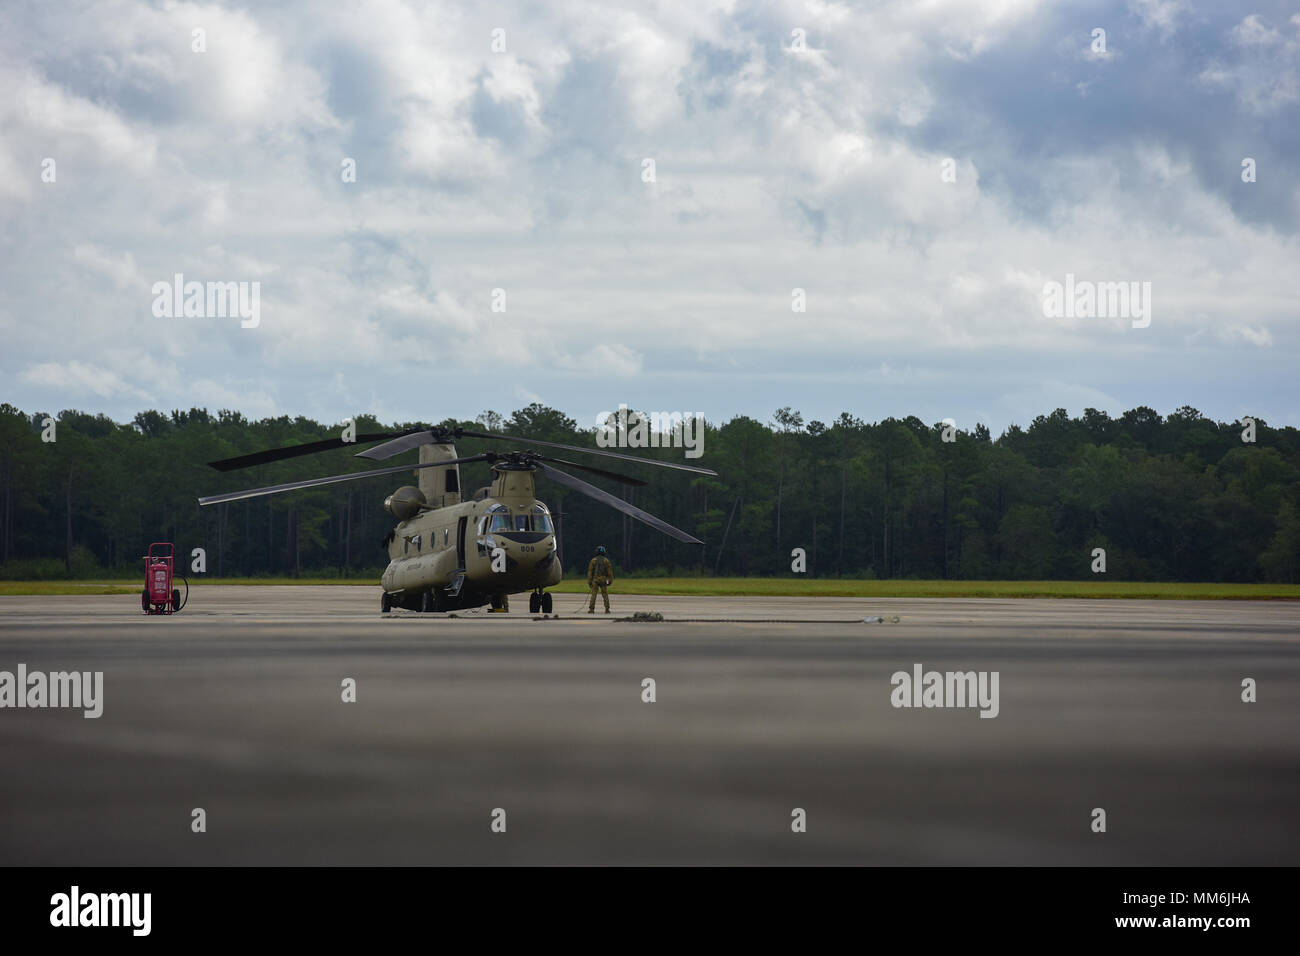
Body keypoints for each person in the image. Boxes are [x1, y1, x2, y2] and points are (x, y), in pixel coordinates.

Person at [586, 546, 614, 614]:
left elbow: (590, 572)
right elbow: (609, 572)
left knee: (594, 594)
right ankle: (607, 609)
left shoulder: (593, 560)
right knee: (605, 594)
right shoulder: (606, 561)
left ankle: (591, 609)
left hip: (595, 580)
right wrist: (610, 581)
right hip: (603, 580)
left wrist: (589, 581)